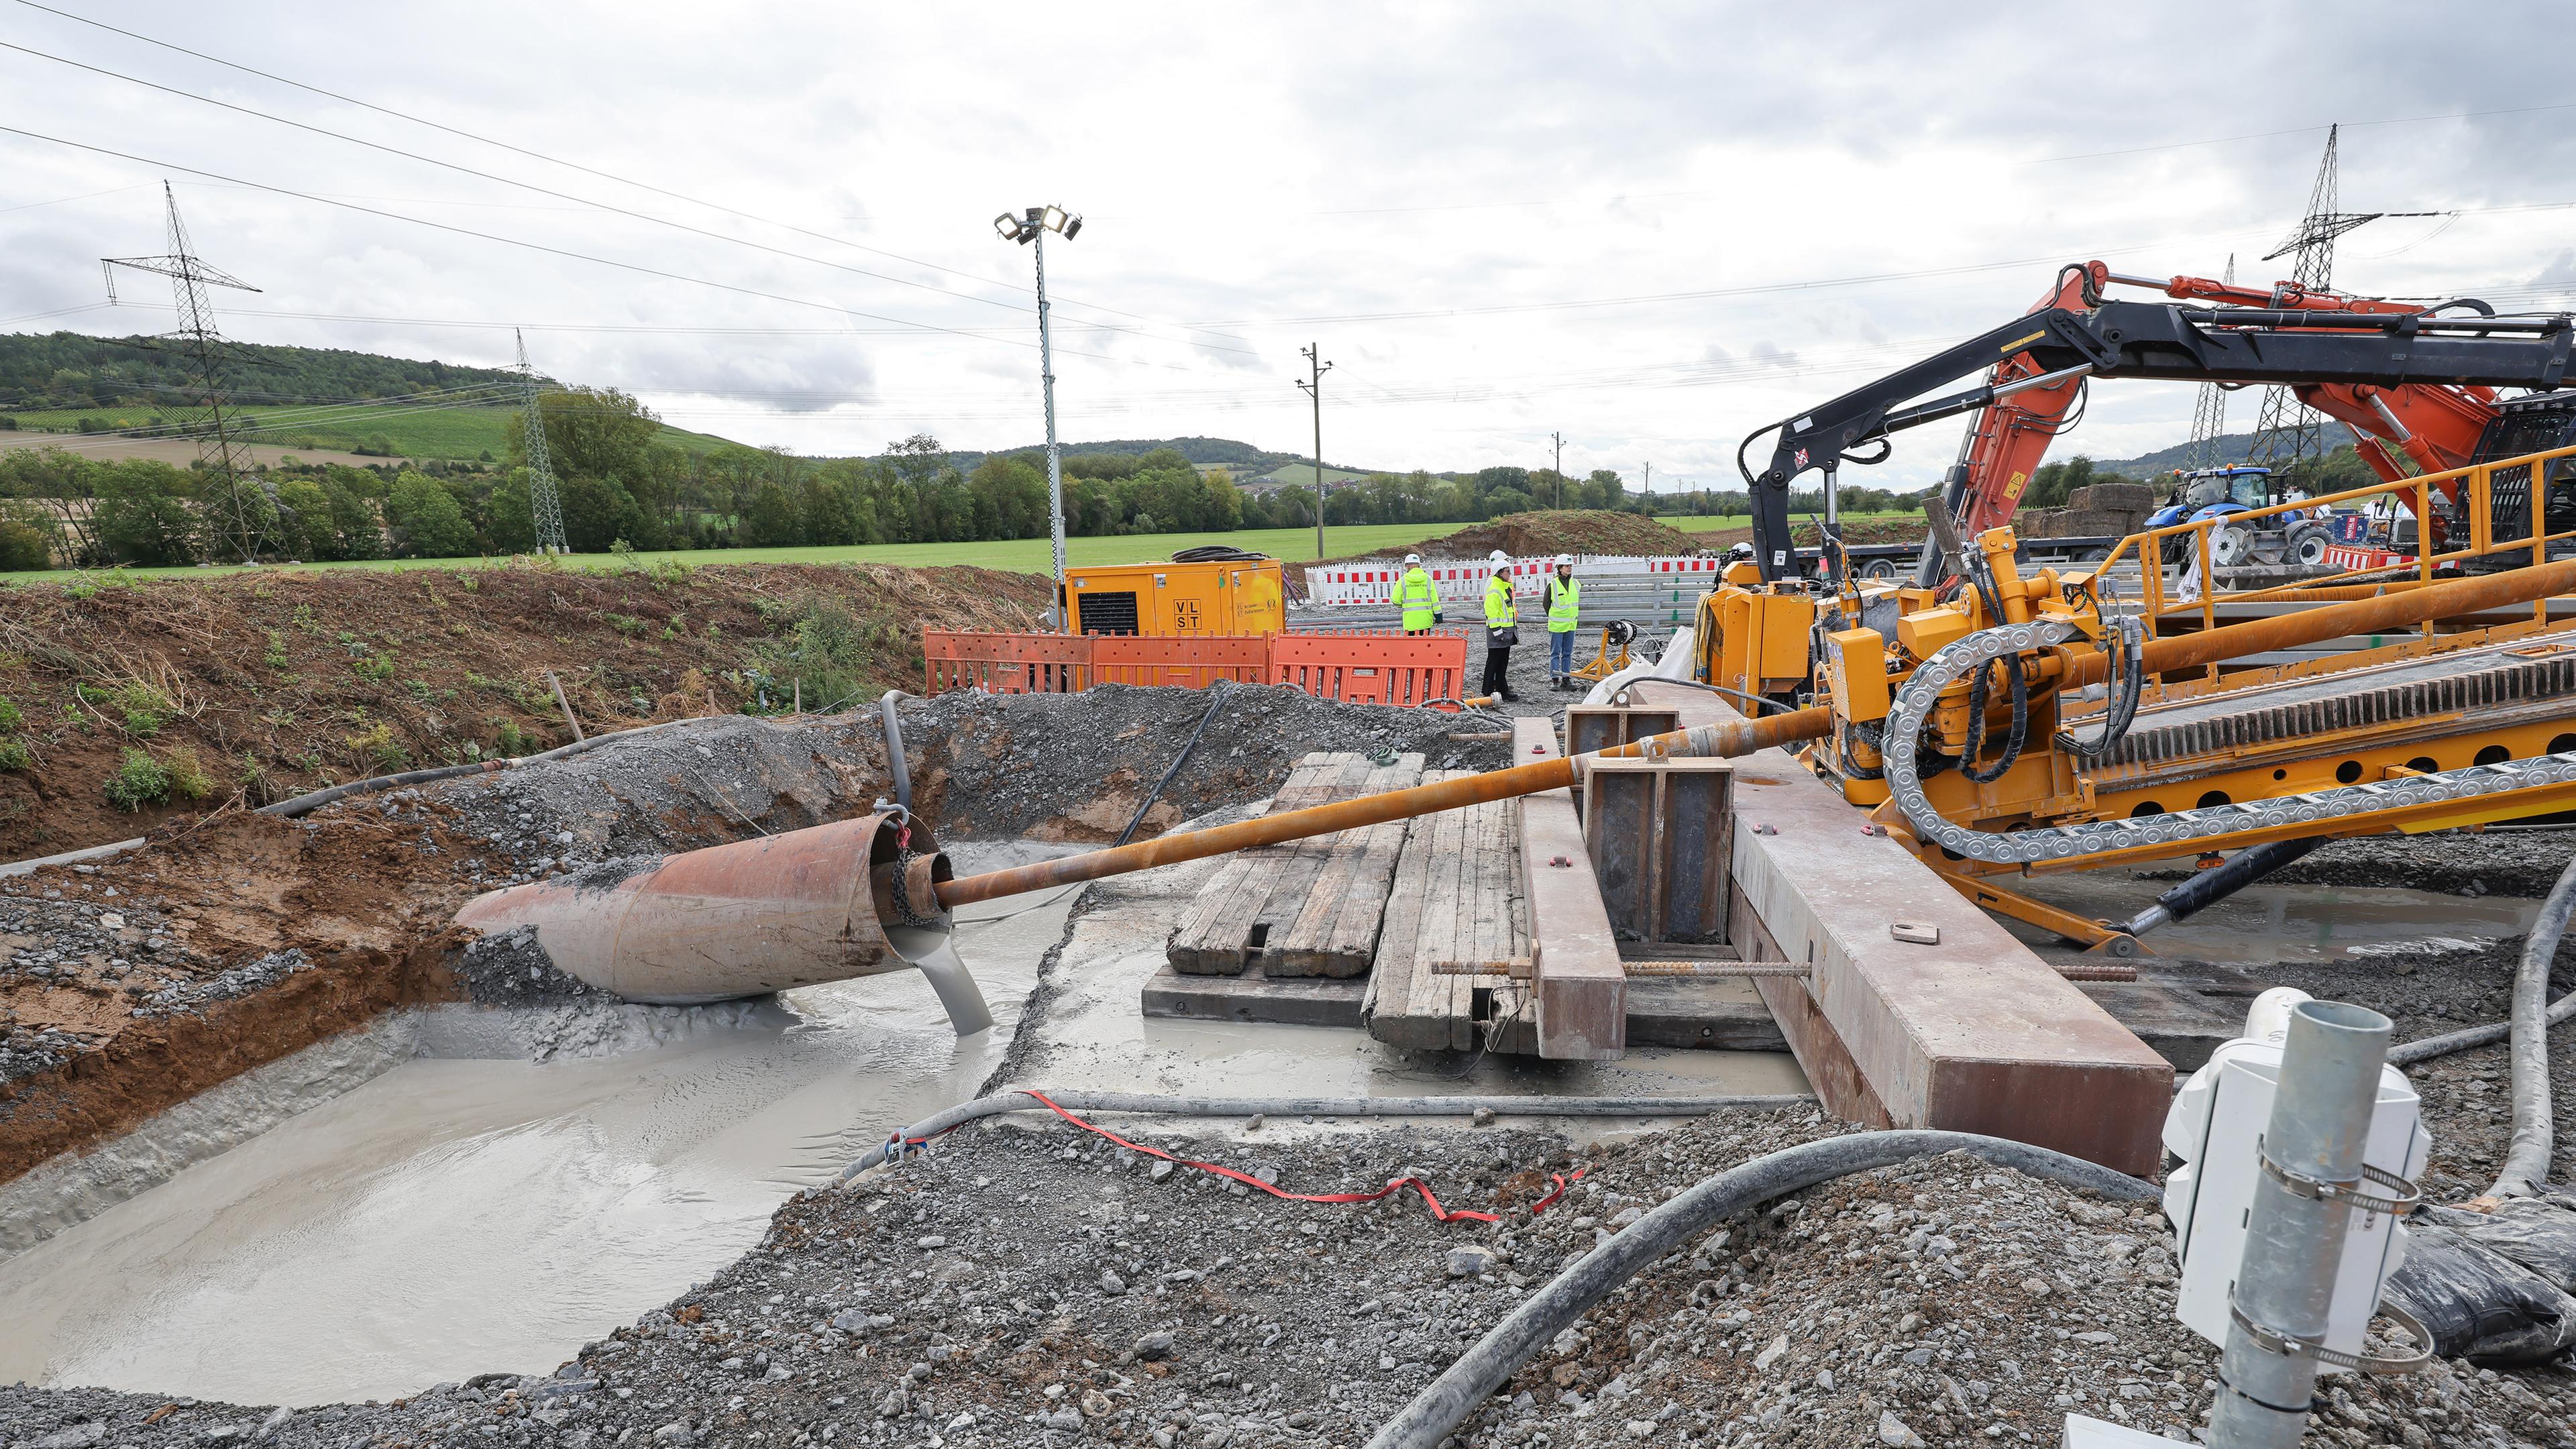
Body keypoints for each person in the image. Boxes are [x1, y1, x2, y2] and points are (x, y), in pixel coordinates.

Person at [1481, 548, 1518, 702]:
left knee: (1502, 663)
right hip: (1499, 632)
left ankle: (1501, 690)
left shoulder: (1503, 586)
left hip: (1506, 630)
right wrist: (1497, 631)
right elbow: (1492, 611)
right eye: (1507, 570)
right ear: (1499, 571)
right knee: (1495, 662)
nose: (1510, 573)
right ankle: (1489, 691)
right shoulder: (1495, 587)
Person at [1544, 552, 1580, 690]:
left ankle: (1566, 679)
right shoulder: (1553, 584)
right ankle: (1554, 679)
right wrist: (1555, 616)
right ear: (1560, 568)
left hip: (1571, 624)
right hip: (1557, 625)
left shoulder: (1575, 583)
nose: (1569, 568)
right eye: (1567, 566)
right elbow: (1546, 604)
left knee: (1567, 653)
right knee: (1555, 653)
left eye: (1570, 565)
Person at [1391, 552, 1438, 636]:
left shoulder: (1403, 581)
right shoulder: (1428, 579)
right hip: (1426, 620)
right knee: (1424, 645)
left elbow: (1395, 601)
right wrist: (1438, 615)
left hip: (1410, 622)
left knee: (1412, 647)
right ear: (1419, 565)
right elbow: (1435, 600)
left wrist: (1403, 605)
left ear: (1408, 566)